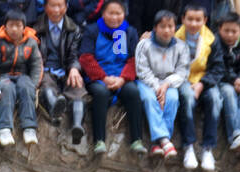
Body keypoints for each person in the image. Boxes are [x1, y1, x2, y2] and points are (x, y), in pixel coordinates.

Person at [79, 0, 144, 155]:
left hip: (122, 77)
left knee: (133, 92)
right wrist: (104, 77)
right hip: (98, 77)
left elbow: (134, 59)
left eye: (118, 13)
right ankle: (99, 141)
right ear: (103, 13)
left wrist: (122, 79)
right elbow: (86, 58)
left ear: (124, 14)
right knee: (101, 93)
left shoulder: (129, 32)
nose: (115, 17)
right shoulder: (92, 30)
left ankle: (137, 140)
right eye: (111, 13)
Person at [200, 10, 240, 152]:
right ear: (219, 29)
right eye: (226, 31)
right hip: (223, 80)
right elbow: (217, 67)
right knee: (228, 92)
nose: (230, 35)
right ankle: (235, 136)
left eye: (234, 31)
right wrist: (233, 79)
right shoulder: (215, 42)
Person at [136, 9, 188, 161]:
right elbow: (142, 70)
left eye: (170, 26)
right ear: (155, 28)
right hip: (147, 82)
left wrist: (166, 85)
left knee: (172, 99)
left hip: (169, 83)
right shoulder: (144, 45)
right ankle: (165, 141)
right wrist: (157, 87)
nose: (166, 30)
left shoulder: (181, 46)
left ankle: (157, 144)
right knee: (149, 99)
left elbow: (182, 72)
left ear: (175, 28)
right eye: (162, 26)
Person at [34, 0, 86, 145]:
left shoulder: (74, 29)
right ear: (45, 7)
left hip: (65, 69)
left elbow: (75, 54)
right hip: (46, 70)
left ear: (66, 7)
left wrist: (75, 68)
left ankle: (77, 125)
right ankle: (55, 109)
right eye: (52, 5)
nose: (57, 10)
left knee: (77, 87)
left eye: (60, 6)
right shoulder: (35, 29)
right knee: (47, 86)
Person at [0, 8, 43, 145]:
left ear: (23, 27)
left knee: (26, 88)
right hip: (4, 76)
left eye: (18, 25)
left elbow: (37, 64)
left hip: (23, 75)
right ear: (5, 25)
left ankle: (29, 128)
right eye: (11, 25)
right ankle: (5, 129)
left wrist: (34, 83)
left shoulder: (31, 42)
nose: (14, 29)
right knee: (7, 90)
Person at [175, 3, 216, 169]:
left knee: (215, 99)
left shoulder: (212, 40)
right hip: (182, 79)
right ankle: (189, 147)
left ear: (205, 20)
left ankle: (208, 148)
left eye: (198, 20)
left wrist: (202, 84)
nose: (193, 23)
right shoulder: (174, 36)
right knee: (187, 97)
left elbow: (217, 68)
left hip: (205, 80)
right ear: (183, 19)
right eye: (190, 19)